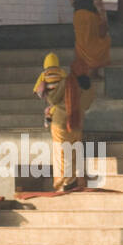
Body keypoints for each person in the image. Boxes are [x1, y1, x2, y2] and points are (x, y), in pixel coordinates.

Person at [65, 0, 111, 135]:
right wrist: (103, 19)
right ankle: (94, 72)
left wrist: (78, 8)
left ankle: (86, 72)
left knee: (82, 45)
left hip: (78, 15)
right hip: (91, 16)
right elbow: (97, 1)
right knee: (100, 43)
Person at [32, 52, 82, 192]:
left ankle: (61, 183)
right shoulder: (65, 75)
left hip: (59, 120)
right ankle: (71, 180)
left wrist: (43, 90)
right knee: (72, 150)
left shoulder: (44, 75)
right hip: (74, 118)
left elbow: (40, 92)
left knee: (60, 152)